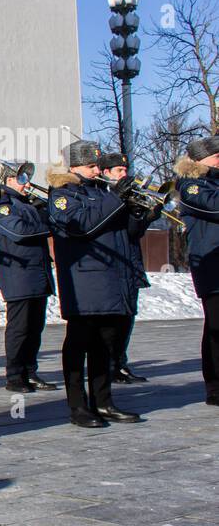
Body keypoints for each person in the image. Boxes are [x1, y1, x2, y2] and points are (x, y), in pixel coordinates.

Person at [46, 140, 149, 428]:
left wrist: (137, 210)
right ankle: (78, 406)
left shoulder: (103, 193)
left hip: (112, 277)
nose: (96, 170)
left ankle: (103, 402)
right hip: (85, 281)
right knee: (79, 344)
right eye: (90, 166)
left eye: (97, 165)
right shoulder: (63, 194)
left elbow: (129, 233)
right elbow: (83, 225)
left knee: (105, 343)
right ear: (73, 166)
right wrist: (116, 199)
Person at [0, 172, 57, 393]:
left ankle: (30, 370)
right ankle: (15, 375)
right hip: (18, 275)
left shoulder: (26, 204)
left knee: (35, 327)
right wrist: (46, 221)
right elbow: (18, 232)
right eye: (21, 179)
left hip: (36, 273)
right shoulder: (1, 203)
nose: (27, 184)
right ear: (7, 180)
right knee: (20, 328)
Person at [174, 135, 219, 404]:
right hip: (211, 263)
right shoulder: (191, 185)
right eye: (216, 156)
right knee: (216, 327)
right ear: (201, 159)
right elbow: (214, 206)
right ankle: (214, 386)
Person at [101, 154, 150, 384]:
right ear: (106, 173)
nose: (124, 174)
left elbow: (133, 231)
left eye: (124, 169)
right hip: (113, 266)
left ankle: (120, 363)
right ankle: (109, 366)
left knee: (128, 318)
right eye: (118, 170)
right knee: (113, 323)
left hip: (131, 262)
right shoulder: (104, 195)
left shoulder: (128, 195)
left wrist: (146, 215)